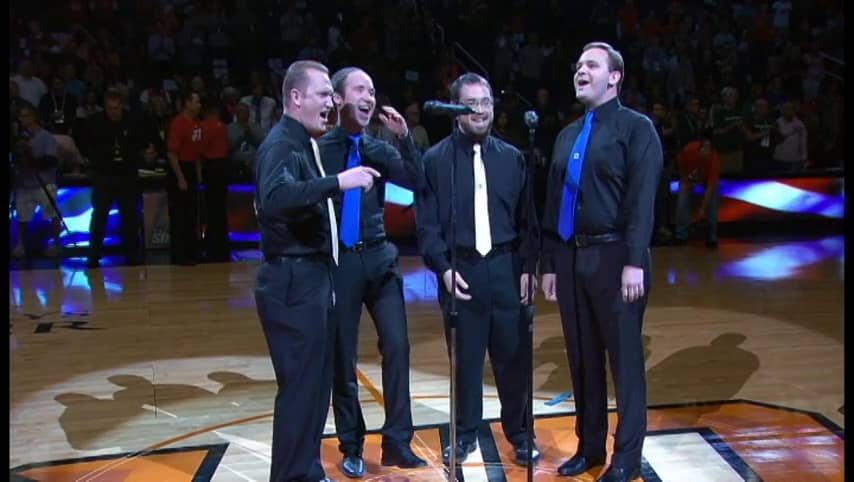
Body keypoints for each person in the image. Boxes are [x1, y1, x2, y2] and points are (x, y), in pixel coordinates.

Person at [540, 42, 662, 482]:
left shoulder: (637, 128)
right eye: (577, 65)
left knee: (624, 362)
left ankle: (626, 456)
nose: (580, 71)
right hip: (572, 259)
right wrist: (551, 263)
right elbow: (554, 202)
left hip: (616, 258)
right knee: (582, 359)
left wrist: (634, 262)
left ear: (615, 77)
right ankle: (589, 447)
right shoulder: (568, 134)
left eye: (590, 65)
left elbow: (642, 201)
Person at [253, 60, 380, 482]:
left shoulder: (304, 141)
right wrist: (337, 183)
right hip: (292, 283)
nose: (332, 101)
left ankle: (306, 472)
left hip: (311, 279)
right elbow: (275, 197)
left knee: (313, 391)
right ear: (295, 98)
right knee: (300, 392)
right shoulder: (282, 144)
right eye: (324, 93)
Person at [416, 72, 540, 466]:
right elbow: (427, 225)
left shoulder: (513, 158)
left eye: (485, 102)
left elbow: (528, 220)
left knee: (513, 357)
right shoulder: (435, 161)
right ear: (455, 110)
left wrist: (528, 266)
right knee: (466, 362)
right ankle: (464, 433)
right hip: (461, 271)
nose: (480, 111)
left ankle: (520, 433)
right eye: (471, 104)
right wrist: (443, 268)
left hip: (506, 268)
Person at [317, 67, 428, 478]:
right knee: (342, 358)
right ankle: (352, 443)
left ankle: (398, 442)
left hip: (380, 259)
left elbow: (417, 181)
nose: (369, 96)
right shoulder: (321, 150)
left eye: (373, 90)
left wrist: (403, 137)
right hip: (341, 264)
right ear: (340, 98)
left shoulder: (379, 148)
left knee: (397, 347)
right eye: (360, 89)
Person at [79, 89, 151, 267]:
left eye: (117, 108)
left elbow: (141, 145)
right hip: (104, 175)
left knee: (130, 215)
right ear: (105, 106)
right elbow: (86, 146)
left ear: (122, 106)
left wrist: (145, 154)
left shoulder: (132, 121)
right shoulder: (95, 122)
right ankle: (94, 254)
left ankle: (132, 253)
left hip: (127, 174)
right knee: (100, 215)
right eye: (110, 108)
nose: (114, 112)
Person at [11, 104, 62, 260]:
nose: (23, 119)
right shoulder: (18, 137)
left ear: (34, 117)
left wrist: (32, 161)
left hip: (44, 182)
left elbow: (51, 160)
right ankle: (22, 245)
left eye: (26, 116)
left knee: (52, 214)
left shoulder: (46, 136)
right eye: (20, 116)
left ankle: (56, 243)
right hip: (24, 183)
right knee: (23, 218)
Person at [166, 91, 204, 265]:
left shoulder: (196, 124)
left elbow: (196, 153)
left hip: (191, 169)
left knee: (192, 214)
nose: (199, 105)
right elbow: (172, 153)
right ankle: (179, 255)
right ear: (187, 103)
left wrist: (198, 173)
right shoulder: (178, 123)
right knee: (180, 216)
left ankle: (192, 251)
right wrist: (180, 177)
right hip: (180, 169)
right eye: (196, 102)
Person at [674, 133, 722, 248]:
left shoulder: (715, 160)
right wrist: (685, 180)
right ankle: (681, 236)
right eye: (704, 148)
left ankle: (712, 237)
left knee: (713, 202)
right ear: (699, 148)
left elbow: (710, 188)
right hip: (689, 176)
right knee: (682, 199)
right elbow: (680, 163)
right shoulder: (689, 150)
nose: (706, 151)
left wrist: (702, 209)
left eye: (708, 149)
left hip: (706, 178)